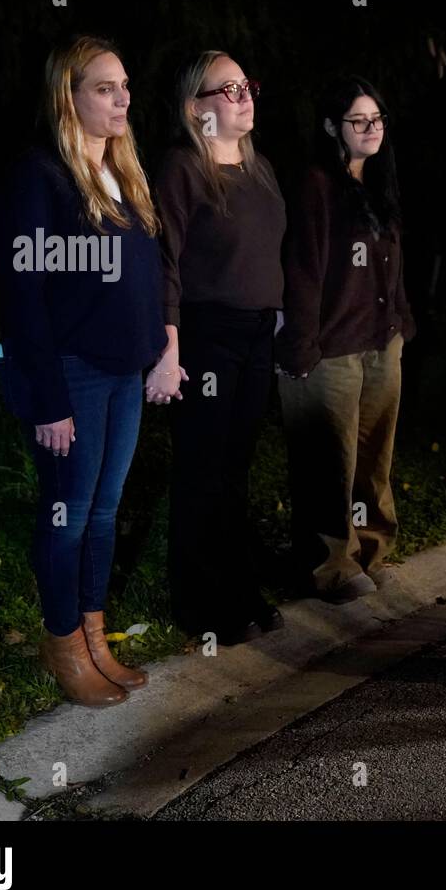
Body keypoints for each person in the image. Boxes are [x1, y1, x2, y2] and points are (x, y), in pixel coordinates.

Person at [0, 35, 168, 707]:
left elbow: (145, 275)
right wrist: (47, 399)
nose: (122, 97)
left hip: (125, 373)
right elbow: (23, 296)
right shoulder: (39, 177)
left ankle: (96, 638)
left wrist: (160, 347)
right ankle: (62, 640)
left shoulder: (124, 170)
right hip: (72, 375)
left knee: (104, 514)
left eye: (124, 85)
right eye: (104, 87)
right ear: (69, 97)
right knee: (68, 516)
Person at [154, 51, 287, 645]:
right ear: (195, 107)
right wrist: (169, 345)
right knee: (202, 469)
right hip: (207, 335)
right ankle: (198, 600)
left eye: (247, 86)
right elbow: (165, 263)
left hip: (258, 333)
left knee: (235, 470)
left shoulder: (261, 170)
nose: (245, 96)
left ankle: (238, 586)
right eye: (228, 89)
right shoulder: (182, 168)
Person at [275, 76, 416, 602]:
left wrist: (402, 320)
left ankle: (373, 548)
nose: (371, 128)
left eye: (377, 119)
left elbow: (394, 263)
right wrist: (301, 346)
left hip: (382, 343)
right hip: (331, 347)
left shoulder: (378, 182)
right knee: (328, 463)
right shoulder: (316, 183)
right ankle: (329, 566)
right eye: (359, 120)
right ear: (333, 126)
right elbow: (304, 268)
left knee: (375, 457)